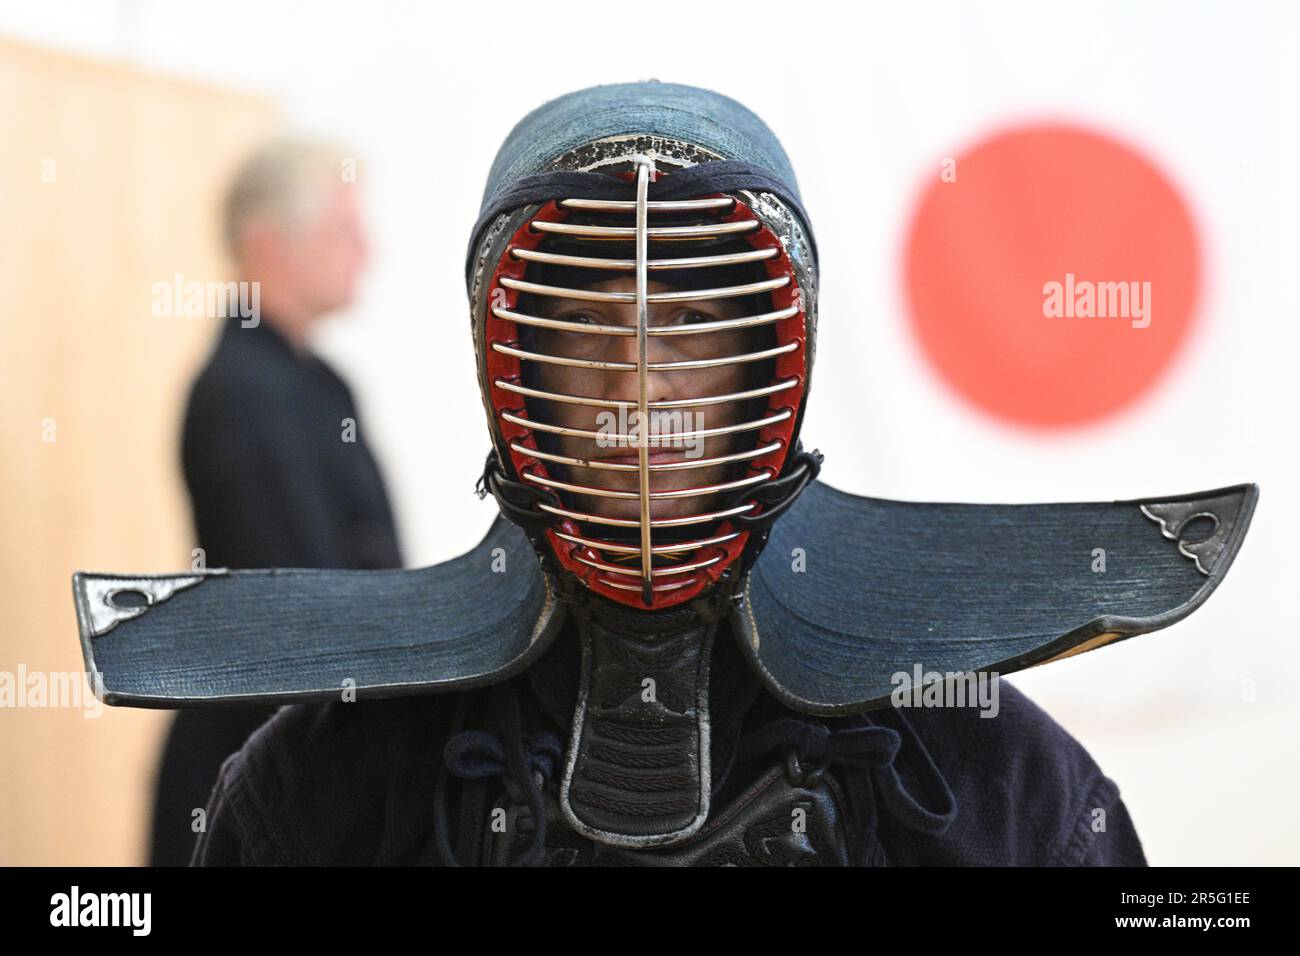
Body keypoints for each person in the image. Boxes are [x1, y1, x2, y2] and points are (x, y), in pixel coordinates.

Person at [76, 82, 1255, 866]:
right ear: (512, 361)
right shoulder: (326, 782)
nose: (638, 387)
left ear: (771, 354)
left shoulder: (992, 775)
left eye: (689, 318)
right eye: (587, 326)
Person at [147, 138, 403, 867]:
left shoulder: (318, 383)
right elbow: (302, 605)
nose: (367, 251)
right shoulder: (242, 393)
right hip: (253, 775)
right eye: (343, 232)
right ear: (267, 245)